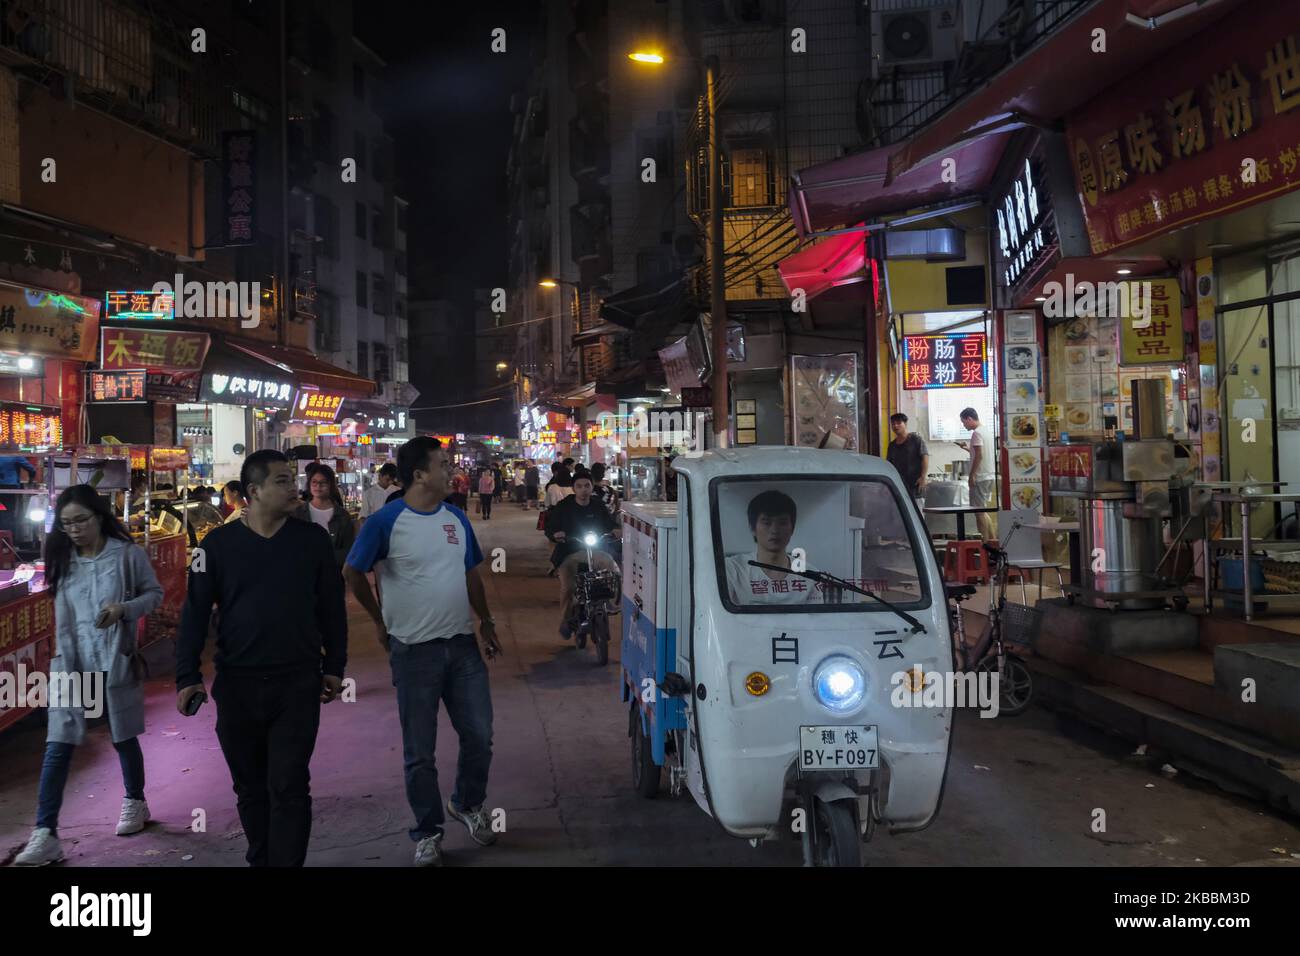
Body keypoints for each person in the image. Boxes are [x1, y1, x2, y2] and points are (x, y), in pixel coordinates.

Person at [176, 449, 346, 868]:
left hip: (296, 682)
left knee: (289, 784)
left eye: (294, 480)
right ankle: (261, 858)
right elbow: (194, 612)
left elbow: (331, 609)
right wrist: (187, 676)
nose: (295, 488)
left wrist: (334, 667)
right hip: (237, 685)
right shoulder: (217, 545)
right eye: (283, 481)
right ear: (253, 491)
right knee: (250, 787)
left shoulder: (311, 542)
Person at [343, 436, 502, 867]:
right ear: (419, 474)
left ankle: (467, 803)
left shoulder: (455, 518)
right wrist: (379, 621)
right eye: (444, 464)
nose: (452, 471)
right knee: (420, 752)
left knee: (479, 737)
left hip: (463, 647)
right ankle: (428, 831)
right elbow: (353, 572)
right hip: (413, 653)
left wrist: (485, 622)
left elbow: (470, 573)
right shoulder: (384, 522)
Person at [13, 486, 164, 865]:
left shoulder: (126, 555)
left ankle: (135, 801)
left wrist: (124, 609)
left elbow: (154, 593)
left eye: (81, 520)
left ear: (99, 516)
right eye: (66, 524)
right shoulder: (62, 557)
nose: (75, 529)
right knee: (58, 744)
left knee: (122, 734)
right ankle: (45, 832)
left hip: (113, 658)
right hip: (71, 660)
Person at [544, 467, 619, 639]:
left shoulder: (598, 505)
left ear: (592, 487)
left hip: (594, 550)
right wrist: (556, 534)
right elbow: (551, 527)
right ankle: (564, 621)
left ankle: (608, 603)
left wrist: (615, 529)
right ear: (573, 488)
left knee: (611, 567)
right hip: (569, 553)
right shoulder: (564, 506)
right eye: (579, 486)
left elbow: (609, 523)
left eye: (587, 486)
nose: (584, 490)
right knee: (568, 587)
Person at [724, 489, 822, 606]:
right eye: (766, 522)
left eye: (782, 523)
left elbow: (815, 621)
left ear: (792, 528)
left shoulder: (811, 574)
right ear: (752, 528)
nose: (775, 530)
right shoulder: (732, 569)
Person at [294, 462, 356, 571]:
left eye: (323, 483)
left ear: (331, 485)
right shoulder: (298, 513)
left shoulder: (342, 515)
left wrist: (323, 559)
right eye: (314, 482)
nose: (318, 486)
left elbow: (349, 550)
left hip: (332, 574)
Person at [960, 407, 996, 541]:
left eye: (964, 422)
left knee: (978, 512)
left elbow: (979, 456)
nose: (964, 425)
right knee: (983, 510)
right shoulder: (986, 431)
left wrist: (972, 475)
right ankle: (992, 541)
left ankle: (985, 544)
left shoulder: (976, 433)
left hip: (980, 477)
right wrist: (967, 448)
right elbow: (979, 453)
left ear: (970, 419)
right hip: (989, 476)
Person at [886, 413, 929, 509]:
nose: (895, 426)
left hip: (915, 484)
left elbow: (925, 456)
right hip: (899, 485)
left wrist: (923, 477)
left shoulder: (915, 439)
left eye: (898, 423)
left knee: (918, 513)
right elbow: (889, 465)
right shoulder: (892, 445)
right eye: (893, 424)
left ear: (905, 424)